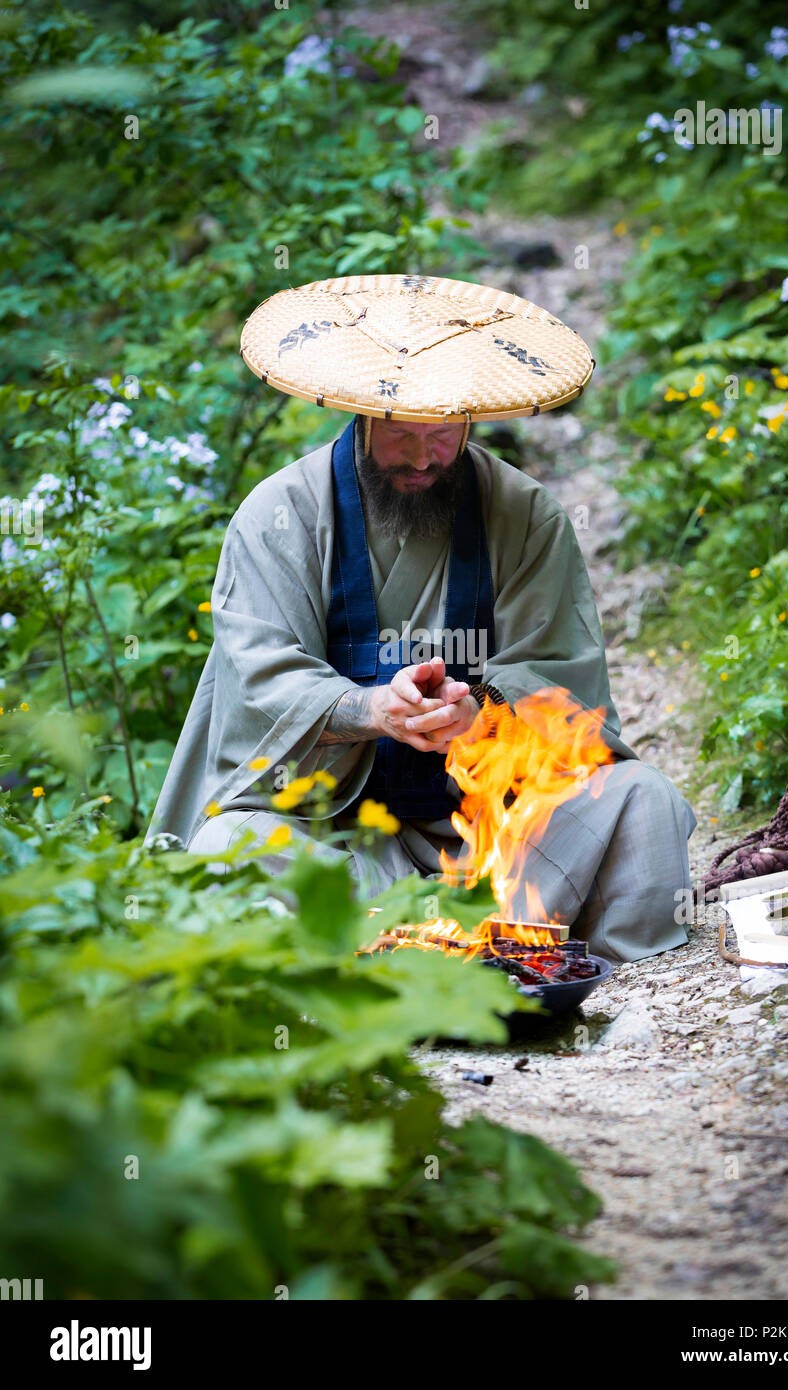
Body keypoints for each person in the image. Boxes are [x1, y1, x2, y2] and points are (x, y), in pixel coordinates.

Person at [146, 273, 696, 963]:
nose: (420, 458)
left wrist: (481, 719)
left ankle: (535, 965)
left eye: (441, 435)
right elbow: (261, 685)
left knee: (644, 803)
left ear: (469, 419)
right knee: (227, 849)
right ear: (360, 413)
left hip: (483, 837)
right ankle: (458, 952)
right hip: (333, 836)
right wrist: (372, 709)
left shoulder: (526, 517)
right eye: (400, 434)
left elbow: (567, 693)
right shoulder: (277, 517)